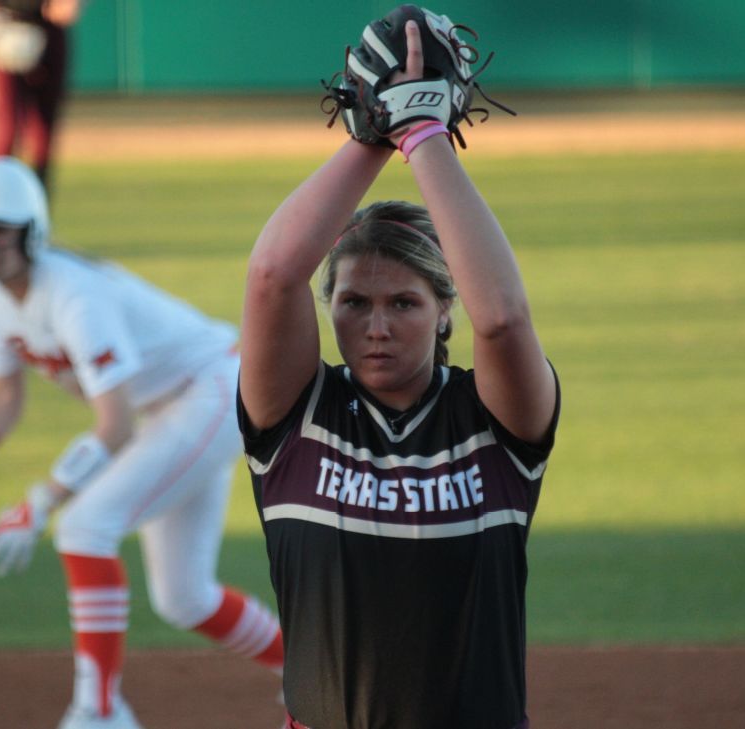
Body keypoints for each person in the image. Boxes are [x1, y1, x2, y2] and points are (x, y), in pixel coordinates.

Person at [237, 20, 560, 729]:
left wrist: (423, 137)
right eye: (353, 302)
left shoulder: (494, 421)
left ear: (447, 309)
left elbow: (503, 317)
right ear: (329, 308)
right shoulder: (297, 414)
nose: (376, 326)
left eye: (405, 303)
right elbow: (270, 276)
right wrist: (368, 137)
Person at [0, 156, 284, 729]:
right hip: (176, 405)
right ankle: (310, 675)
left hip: (213, 392)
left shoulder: (73, 295)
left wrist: (38, 503)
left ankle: (100, 712)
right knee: (184, 598)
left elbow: (114, 427)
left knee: (85, 526)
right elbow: (4, 399)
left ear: (27, 228)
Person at [0, 0, 81, 194]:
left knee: (43, 129)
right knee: (7, 127)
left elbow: (64, 10)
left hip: (47, 24)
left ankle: (37, 210)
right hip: (3, 25)